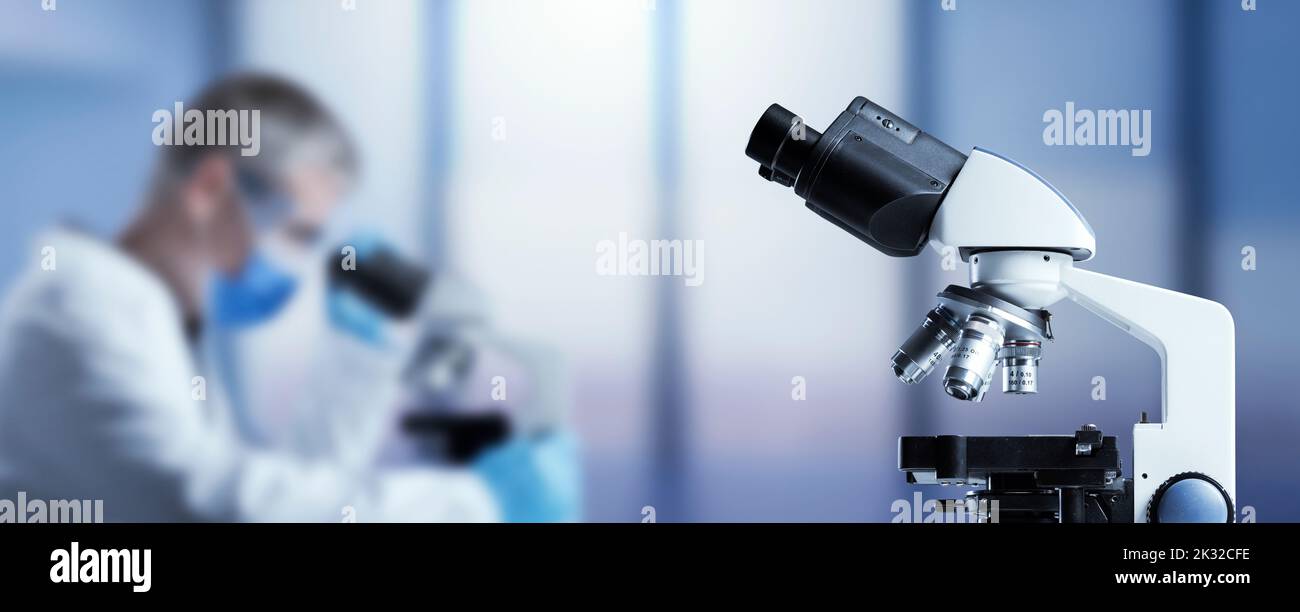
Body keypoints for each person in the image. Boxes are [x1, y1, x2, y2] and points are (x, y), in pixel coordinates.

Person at [0, 74, 577, 522]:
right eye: (298, 234)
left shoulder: (160, 325)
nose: (301, 265)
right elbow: (207, 507)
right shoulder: (77, 312)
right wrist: (472, 502)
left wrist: (360, 361)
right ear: (209, 188)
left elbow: (286, 497)